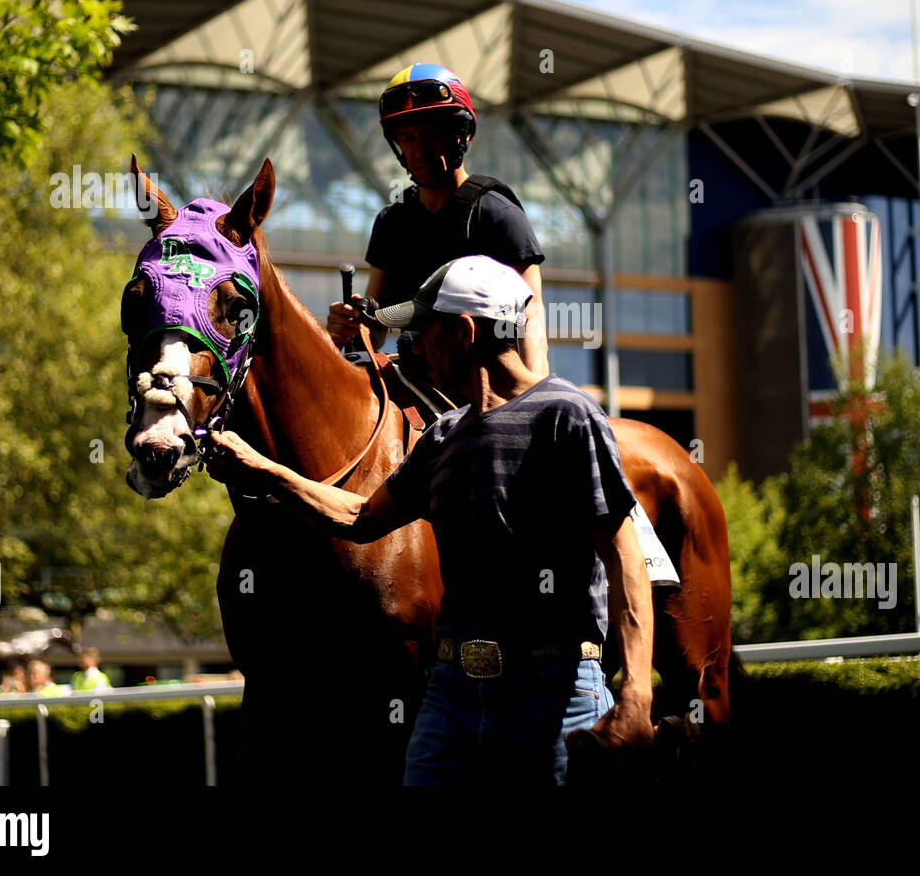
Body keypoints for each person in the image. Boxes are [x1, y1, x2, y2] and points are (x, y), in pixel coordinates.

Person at [206, 255, 654, 786]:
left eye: (422, 329)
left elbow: (625, 556)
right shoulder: (443, 437)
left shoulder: (567, 416)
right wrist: (264, 470)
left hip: (554, 694)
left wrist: (637, 695)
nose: (411, 345)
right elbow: (359, 516)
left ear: (464, 332)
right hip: (452, 698)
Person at [325, 63, 550, 398]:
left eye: (431, 134)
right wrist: (349, 325)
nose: (419, 150)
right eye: (407, 137)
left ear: (463, 134)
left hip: (483, 388)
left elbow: (529, 316)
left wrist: (531, 403)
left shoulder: (497, 214)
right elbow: (376, 328)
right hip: (413, 382)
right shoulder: (392, 222)